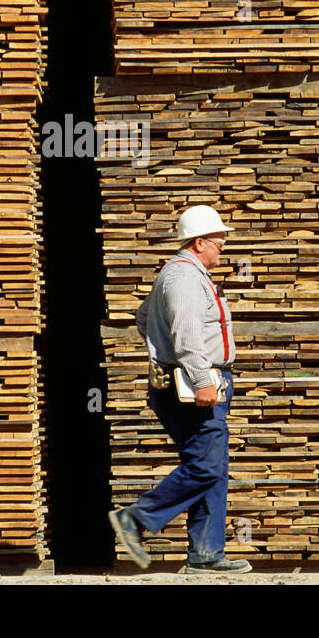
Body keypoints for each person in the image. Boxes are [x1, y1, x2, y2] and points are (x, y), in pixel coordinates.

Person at [107, 204, 251, 574]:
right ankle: (135, 519)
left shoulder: (183, 275)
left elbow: (143, 319)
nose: (223, 247)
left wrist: (163, 345)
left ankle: (206, 554)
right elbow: (186, 334)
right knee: (206, 465)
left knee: (212, 466)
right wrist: (202, 378)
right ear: (199, 242)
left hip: (193, 380)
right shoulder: (185, 277)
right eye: (219, 241)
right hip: (192, 385)